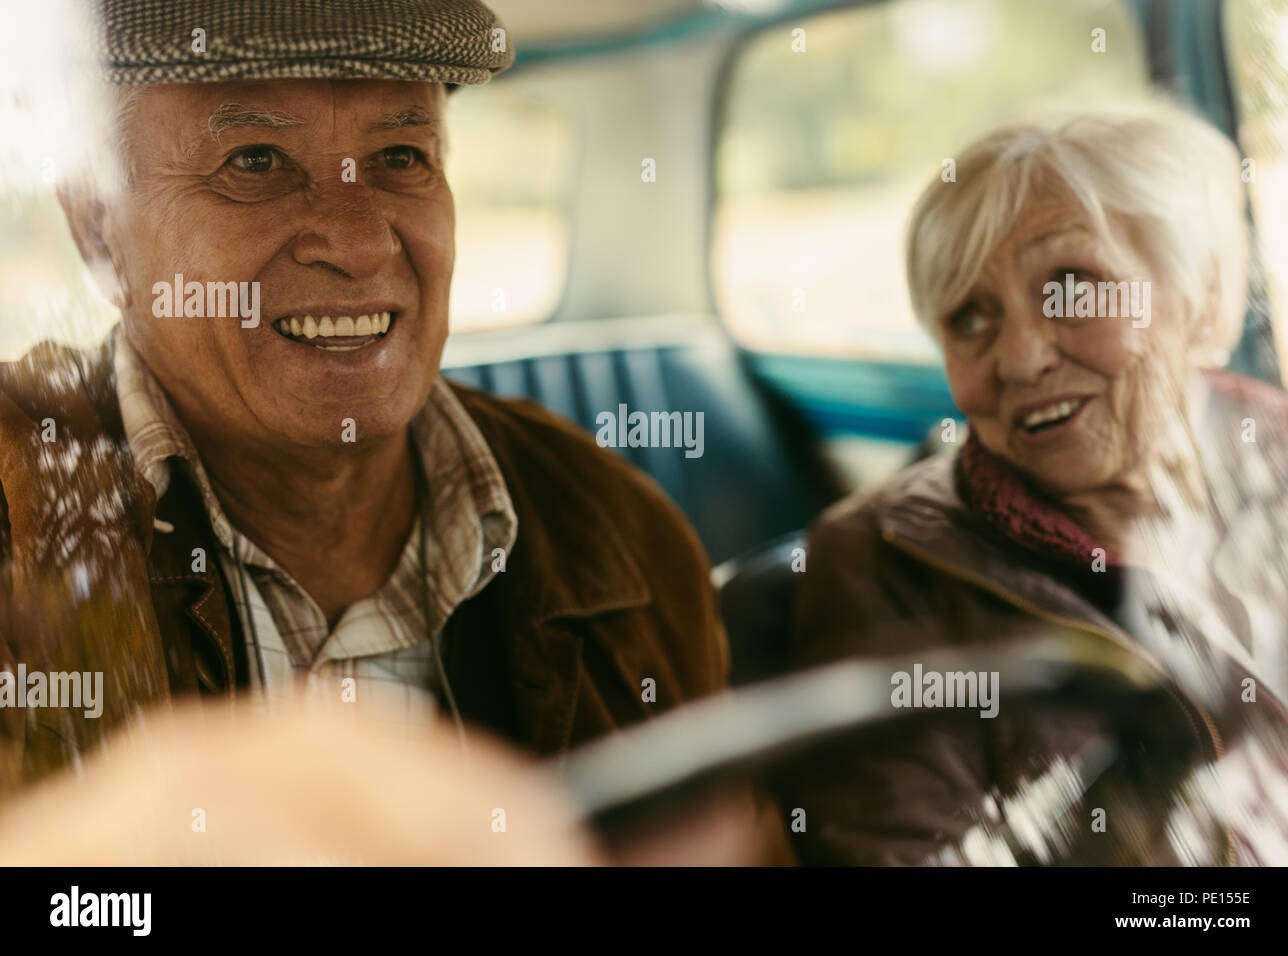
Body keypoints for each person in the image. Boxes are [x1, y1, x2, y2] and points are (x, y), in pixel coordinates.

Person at [0, 0, 762, 861]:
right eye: (257, 161)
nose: (359, 242)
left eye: (401, 156)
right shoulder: (17, 504)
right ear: (98, 228)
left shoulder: (622, 533)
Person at [783, 102, 1288, 865]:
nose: (1021, 360)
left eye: (1072, 287)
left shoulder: (1278, 456)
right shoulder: (880, 567)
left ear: (1206, 300)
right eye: (969, 319)